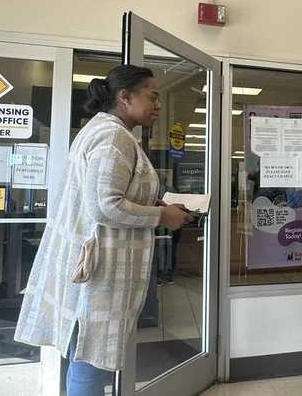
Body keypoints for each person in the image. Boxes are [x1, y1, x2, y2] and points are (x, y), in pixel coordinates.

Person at [15, 66, 194, 396]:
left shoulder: (104, 131)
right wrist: (160, 216)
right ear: (125, 97)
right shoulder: (114, 137)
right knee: (90, 356)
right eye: (152, 96)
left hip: (94, 264)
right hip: (99, 271)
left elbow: (106, 193)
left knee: (84, 353)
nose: (157, 105)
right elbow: (105, 205)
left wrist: (152, 201)